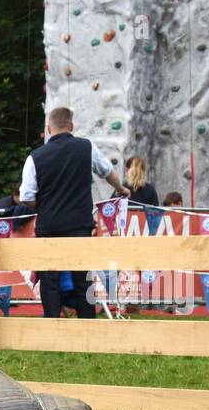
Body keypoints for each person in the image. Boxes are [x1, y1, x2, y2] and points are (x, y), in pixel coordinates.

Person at [19, 106, 130, 318]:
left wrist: (44, 207)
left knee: (50, 279)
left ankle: (51, 322)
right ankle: (87, 321)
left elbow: (26, 196)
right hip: (79, 225)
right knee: (84, 278)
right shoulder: (86, 147)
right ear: (71, 126)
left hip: (49, 226)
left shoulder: (35, 156)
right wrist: (121, 189)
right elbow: (107, 171)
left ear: (49, 128)